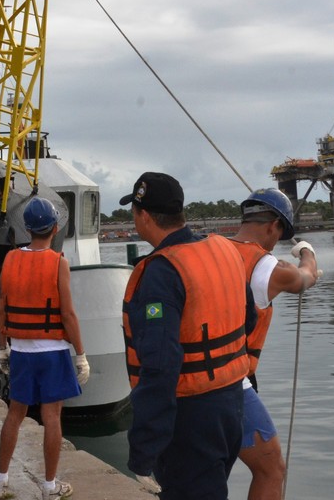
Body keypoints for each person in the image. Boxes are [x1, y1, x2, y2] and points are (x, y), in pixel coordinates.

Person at [121, 172, 251, 500]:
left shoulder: (162, 272)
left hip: (190, 417)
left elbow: (160, 363)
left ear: (143, 216)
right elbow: (247, 317)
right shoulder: (224, 251)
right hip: (231, 404)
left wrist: (144, 449)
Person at [0, 197, 90, 500]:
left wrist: (3, 347)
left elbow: (1, 309)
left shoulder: (10, 260)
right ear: (55, 228)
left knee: (15, 414)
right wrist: (81, 355)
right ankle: (49, 487)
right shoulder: (58, 262)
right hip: (52, 352)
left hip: (21, 350)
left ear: (27, 229)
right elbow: (67, 315)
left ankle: (0, 481)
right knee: (52, 417)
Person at [229, 188, 319, 500]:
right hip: (232, 382)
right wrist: (306, 251)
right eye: (279, 236)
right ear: (273, 227)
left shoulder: (210, 250)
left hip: (191, 379)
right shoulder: (268, 268)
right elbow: (306, 278)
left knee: (208, 471)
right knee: (271, 469)